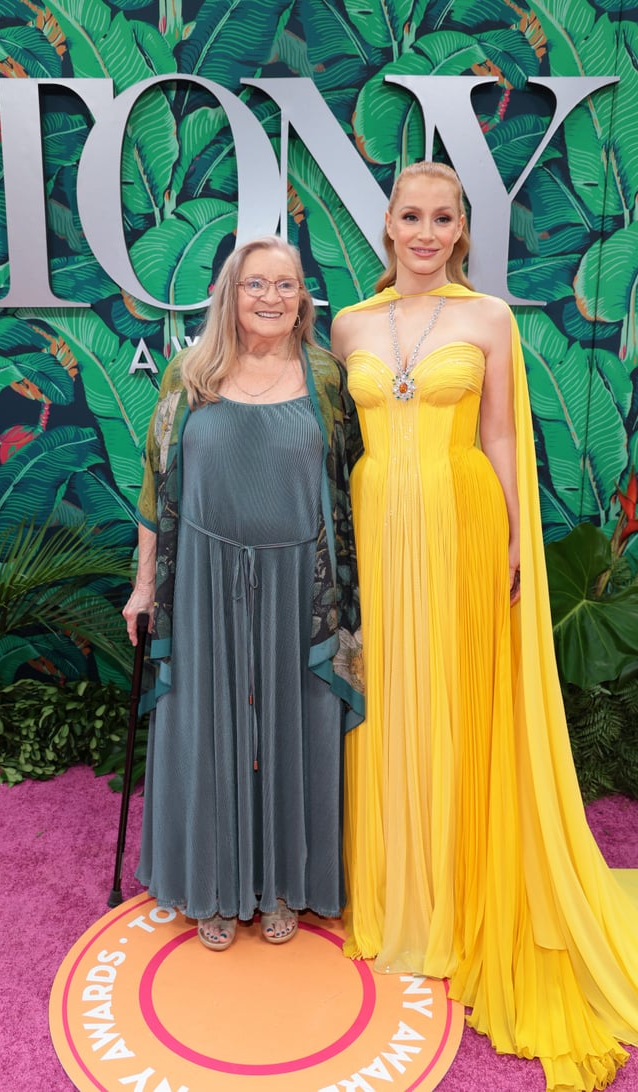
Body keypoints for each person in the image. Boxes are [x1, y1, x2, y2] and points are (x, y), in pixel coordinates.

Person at [331, 161, 638, 1090]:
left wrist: (512, 537)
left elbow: (502, 432)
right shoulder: (347, 324)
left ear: (462, 230)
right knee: (388, 702)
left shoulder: (490, 318)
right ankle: (395, 889)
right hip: (378, 530)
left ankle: (461, 889)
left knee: (458, 701)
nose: (425, 232)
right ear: (386, 226)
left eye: (443, 218)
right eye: (410, 216)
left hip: (464, 525)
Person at [123, 235, 364, 952]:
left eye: (285, 285)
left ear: (303, 299)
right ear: (230, 293)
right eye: (255, 284)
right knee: (208, 722)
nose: (270, 297)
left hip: (302, 582)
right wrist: (143, 588)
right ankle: (216, 887)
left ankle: (287, 881)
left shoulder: (326, 376)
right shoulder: (189, 374)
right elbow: (154, 488)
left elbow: (352, 483)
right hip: (201, 576)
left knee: (298, 722)